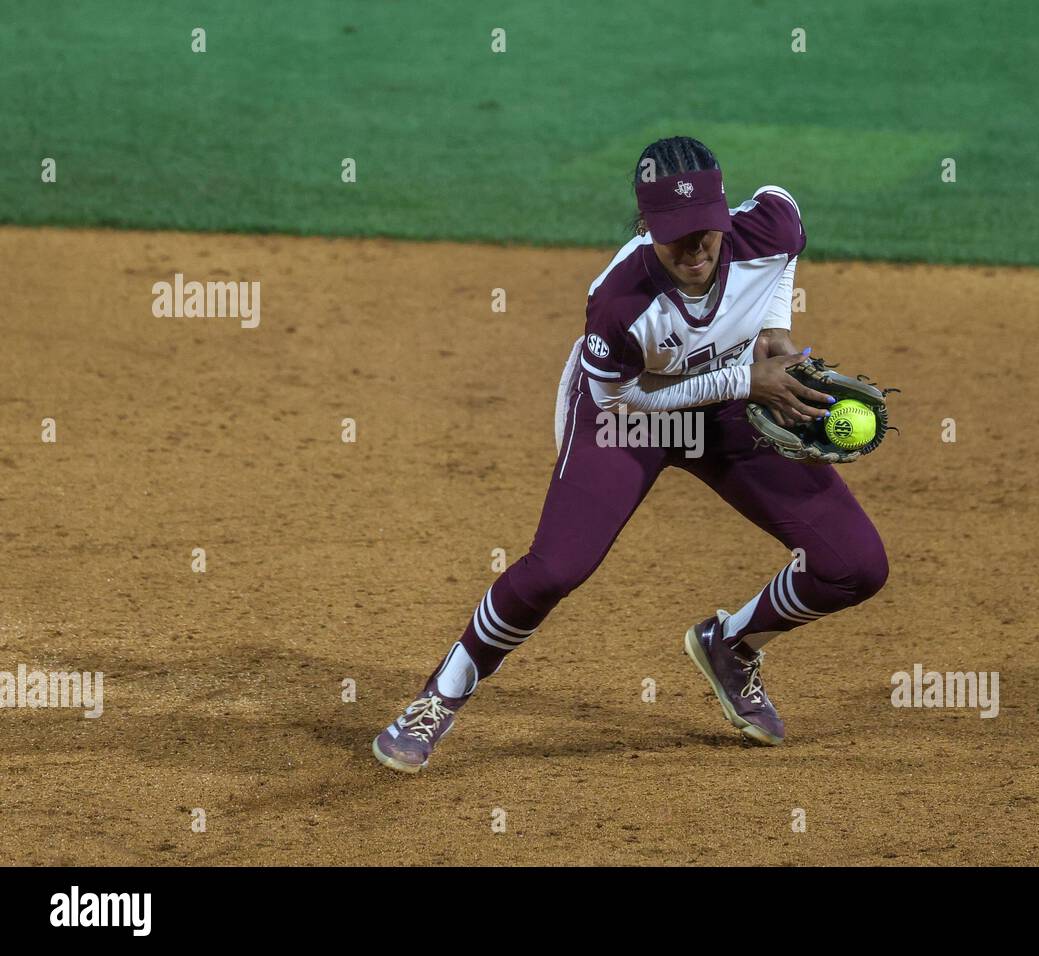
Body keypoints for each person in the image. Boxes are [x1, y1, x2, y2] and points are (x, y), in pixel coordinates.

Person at [373, 136, 888, 772]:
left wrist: (774, 328)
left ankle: (732, 645)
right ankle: (438, 699)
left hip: (725, 412)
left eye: (705, 228)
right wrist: (742, 381)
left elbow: (785, 223)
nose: (695, 249)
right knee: (556, 569)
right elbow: (619, 399)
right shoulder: (619, 300)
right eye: (674, 235)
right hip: (626, 418)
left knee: (855, 565)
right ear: (646, 225)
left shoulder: (768, 231)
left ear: (723, 212)